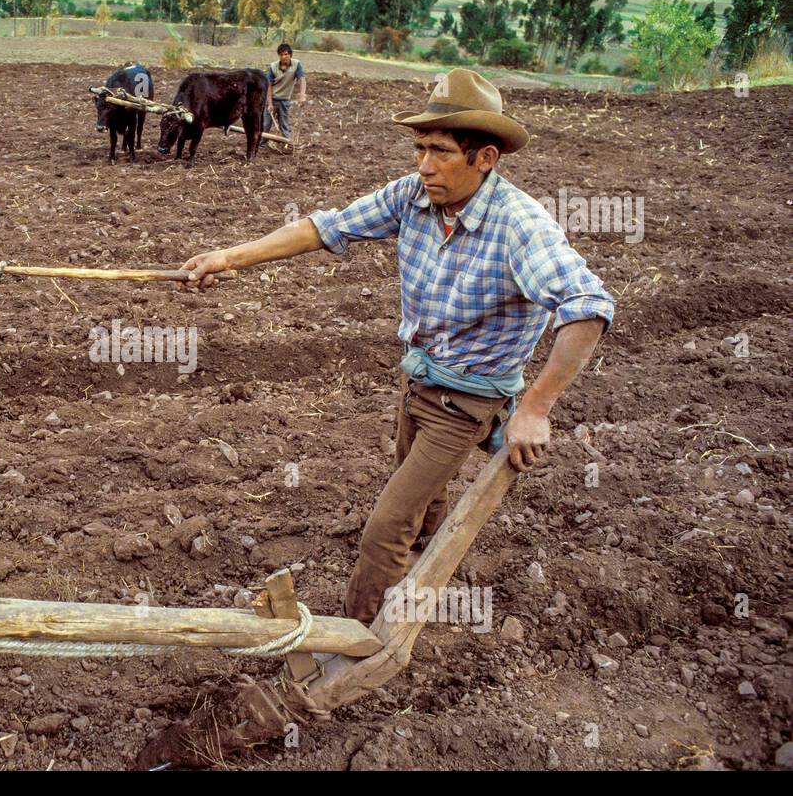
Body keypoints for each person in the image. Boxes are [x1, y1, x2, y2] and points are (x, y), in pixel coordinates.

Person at [181, 68, 615, 626]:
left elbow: (588, 307)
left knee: (386, 527)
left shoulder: (520, 226)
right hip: (418, 384)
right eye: (419, 149)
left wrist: (535, 408)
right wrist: (228, 256)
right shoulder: (415, 197)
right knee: (421, 503)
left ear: (485, 157)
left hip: (469, 402)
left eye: (439, 152)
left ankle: (358, 639)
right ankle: (418, 589)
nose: (424, 165)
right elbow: (326, 227)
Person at [264, 42, 306, 143]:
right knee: (265, 125)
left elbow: (302, 79)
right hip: (273, 99)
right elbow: (268, 85)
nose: (284, 57)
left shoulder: (296, 64)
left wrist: (302, 95)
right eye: (281, 54)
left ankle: (287, 144)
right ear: (279, 55)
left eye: (286, 54)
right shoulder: (273, 66)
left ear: (290, 54)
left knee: (284, 125)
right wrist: (269, 103)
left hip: (285, 100)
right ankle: (260, 145)